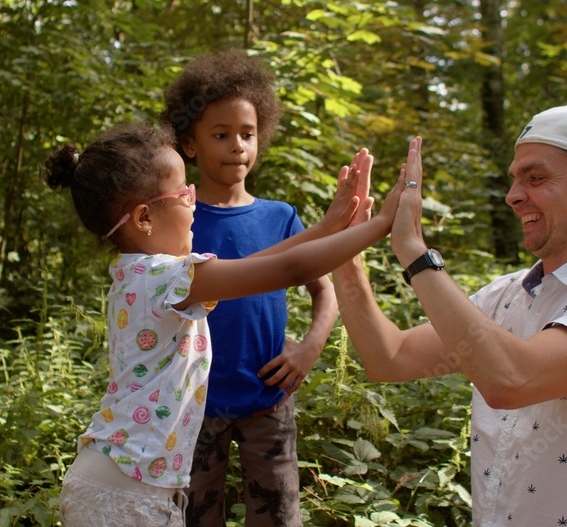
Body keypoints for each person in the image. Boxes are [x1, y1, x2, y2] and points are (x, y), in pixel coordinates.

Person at [334, 107, 567, 525]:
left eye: (536, 178)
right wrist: (344, 253)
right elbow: (390, 357)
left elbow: (512, 380)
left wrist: (413, 250)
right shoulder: (508, 295)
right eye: (515, 179)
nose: (513, 195)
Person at [47, 122, 386, 526]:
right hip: (125, 489)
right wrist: (380, 224)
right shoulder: (167, 277)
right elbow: (291, 269)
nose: (194, 203)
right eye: (183, 194)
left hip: (121, 479)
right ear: (143, 218)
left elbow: (255, 266)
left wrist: (328, 227)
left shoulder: (139, 273)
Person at [160, 49, 369, 526]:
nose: (237, 146)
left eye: (247, 134)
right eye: (221, 134)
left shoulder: (280, 217)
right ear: (189, 144)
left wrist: (311, 347)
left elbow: (324, 289)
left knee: (278, 517)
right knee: (194, 517)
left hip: (269, 398)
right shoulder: (179, 223)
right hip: (193, 403)